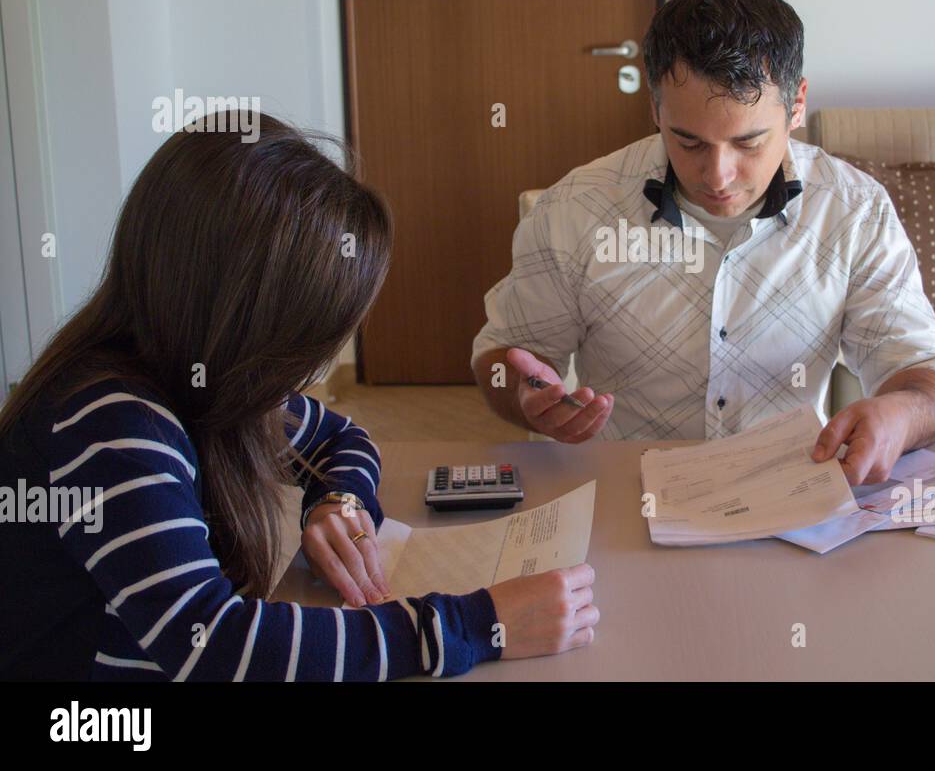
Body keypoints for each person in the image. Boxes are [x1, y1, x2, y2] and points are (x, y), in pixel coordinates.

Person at [0, 113, 597, 680]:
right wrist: (477, 626)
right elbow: (214, 646)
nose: (306, 373)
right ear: (237, 318)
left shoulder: (194, 374)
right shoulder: (111, 421)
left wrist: (336, 501)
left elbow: (343, 436)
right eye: (301, 339)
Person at [472, 0, 935, 485]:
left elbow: (926, 373)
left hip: (787, 493)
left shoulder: (854, 212)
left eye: (749, 143)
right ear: (655, 109)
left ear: (797, 105)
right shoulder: (574, 209)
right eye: (688, 142)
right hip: (624, 491)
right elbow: (503, 357)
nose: (717, 175)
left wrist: (901, 415)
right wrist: (526, 397)